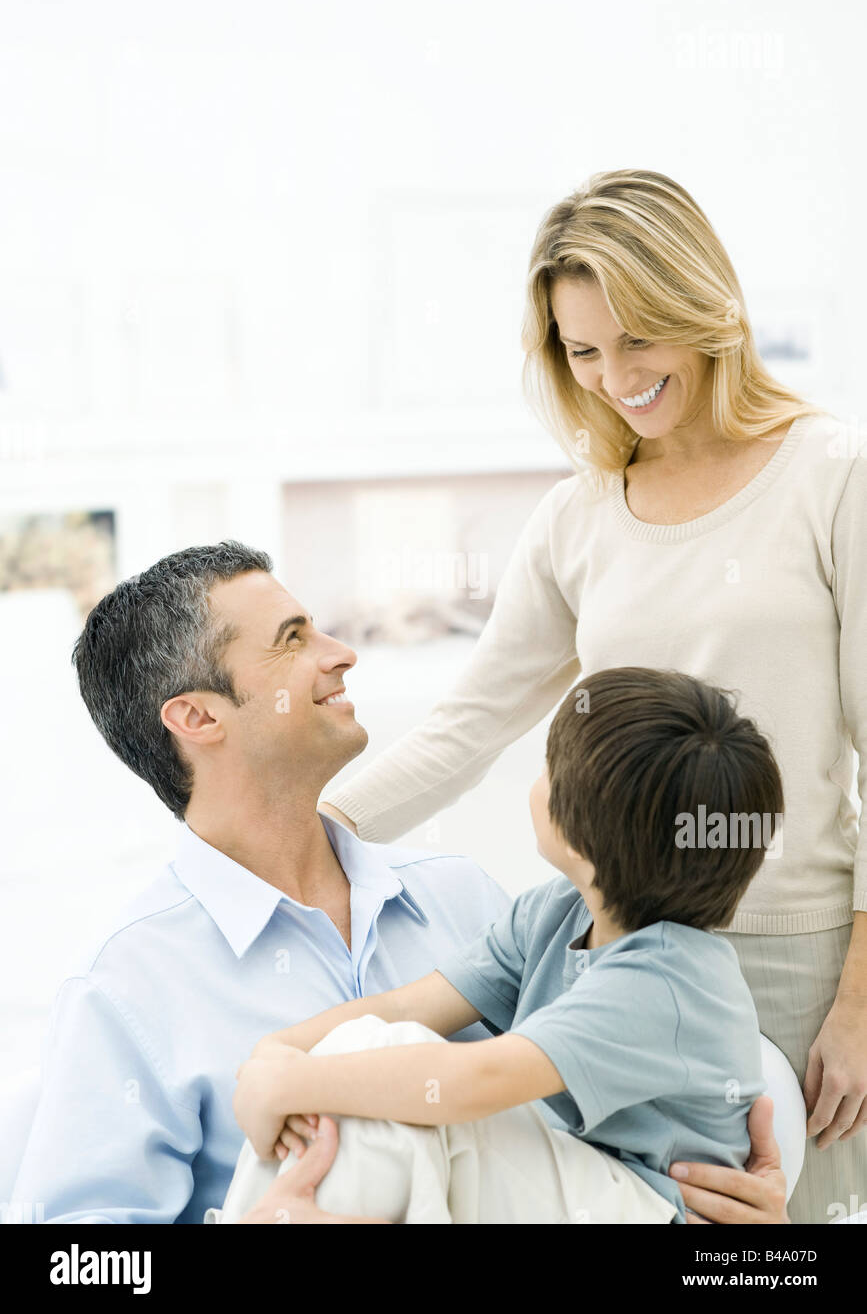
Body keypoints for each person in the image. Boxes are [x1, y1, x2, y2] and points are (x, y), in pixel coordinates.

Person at [321, 169, 867, 1224]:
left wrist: (862, 999)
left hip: (804, 961)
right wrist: (311, 830)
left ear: (702, 309)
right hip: (629, 962)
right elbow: (469, 723)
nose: (615, 377)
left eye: (637, 338)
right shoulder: (577, 519)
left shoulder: (832, 475)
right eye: (582, 351)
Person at [11, 542, 787, 1224]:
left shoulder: (466, 899)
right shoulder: (124, 987)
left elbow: (574, 1148)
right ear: (198, 718)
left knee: (370, 1049)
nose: (343, 651)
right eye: (293, 640)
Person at [218, 667, 781, 1225]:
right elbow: (406, 1006)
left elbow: (475, 1082)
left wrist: (290, 1081)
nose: (538, 780)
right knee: (365, 1051)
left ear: (584, 845)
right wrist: (272, 1056)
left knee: (372, 1074)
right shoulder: (558, 911)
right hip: (570, 1181)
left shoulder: (668, 979)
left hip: (647, 1203)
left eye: (549, 770)